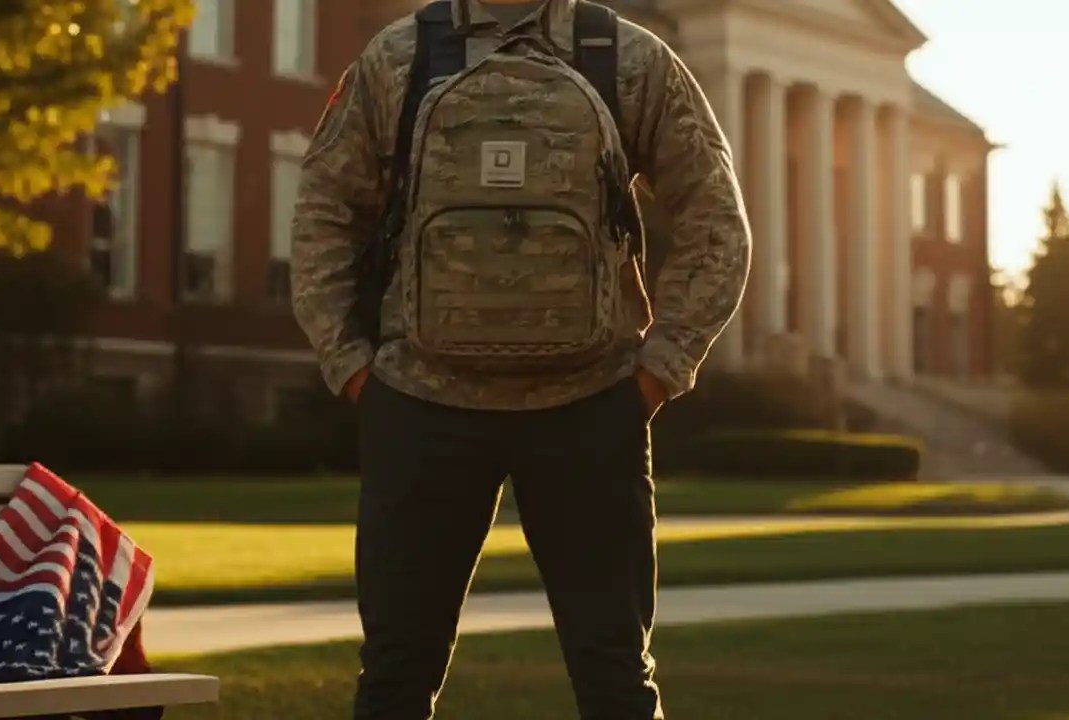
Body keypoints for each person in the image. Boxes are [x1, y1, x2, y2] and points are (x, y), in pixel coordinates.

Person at [291, 0, 751, 717]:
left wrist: (657, 372)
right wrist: (352, 365)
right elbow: (324, 207)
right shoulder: (397, 58)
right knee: (394, 679)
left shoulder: (631, 59)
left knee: (614, 679)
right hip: (420, 402)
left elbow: (716, 219)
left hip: (591, 406)